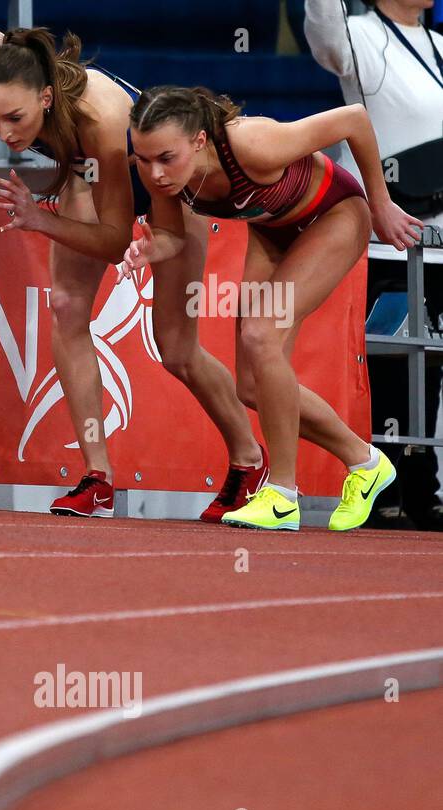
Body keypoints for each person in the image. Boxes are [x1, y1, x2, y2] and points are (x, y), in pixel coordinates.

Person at [0, 27, 270, 521]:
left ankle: (250, 460)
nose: (5, 132)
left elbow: (114, 244)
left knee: (176, 350)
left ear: (46, 97)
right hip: (85, 174)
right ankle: (98, 479)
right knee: (65, 306)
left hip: (162, 190)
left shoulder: (101, 120)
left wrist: (39, 218)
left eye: (16, 118)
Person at [123, 85, 424, 530]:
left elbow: (355, 118)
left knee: (261, 333)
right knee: (251, 386)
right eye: (143, 159)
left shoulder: (253, 143)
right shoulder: (168, 178)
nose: (155, 173)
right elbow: (172, 236)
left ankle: (282, 494)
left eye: (166, 158)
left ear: (200, 141)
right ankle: (365, 463)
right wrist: (149, 250)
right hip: (273, 233)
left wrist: (380, 203)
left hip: (334, 216)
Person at [305, 0, 443, 530]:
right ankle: (383, 492)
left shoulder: (437, 44)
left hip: (436, 237)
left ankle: (422, 490)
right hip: (388, 238)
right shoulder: (359, 35)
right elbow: (323, 33)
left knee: (427, 367)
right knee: (387, 366)